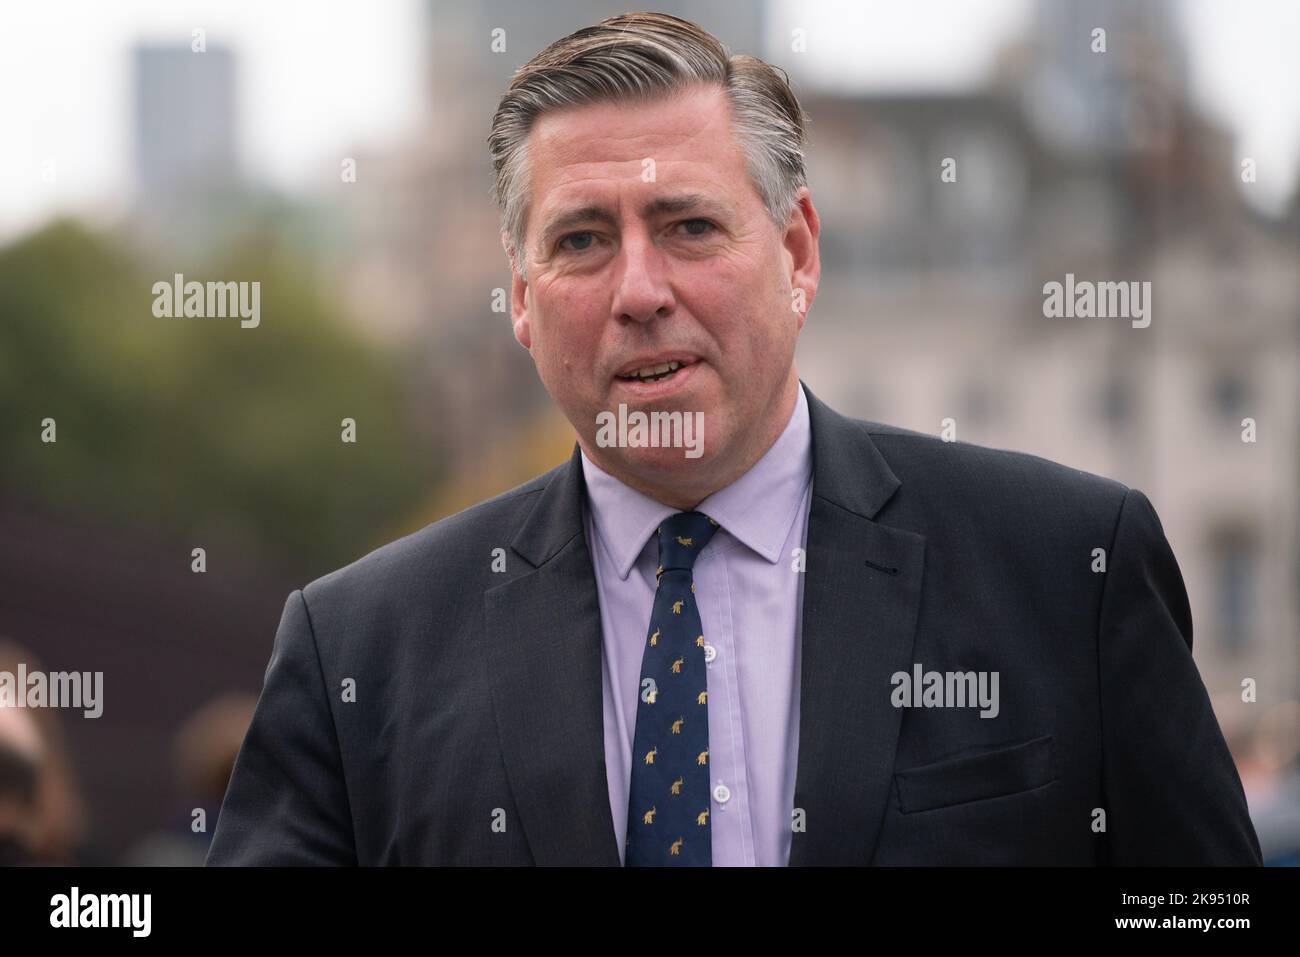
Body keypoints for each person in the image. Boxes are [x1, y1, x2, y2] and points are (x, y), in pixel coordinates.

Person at [206, 12, 1260, 866]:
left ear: (797, 253)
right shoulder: (360, 651)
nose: (638, 290)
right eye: (582, 240)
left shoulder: (1066, 569)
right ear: (522, 299)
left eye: (689, 226)